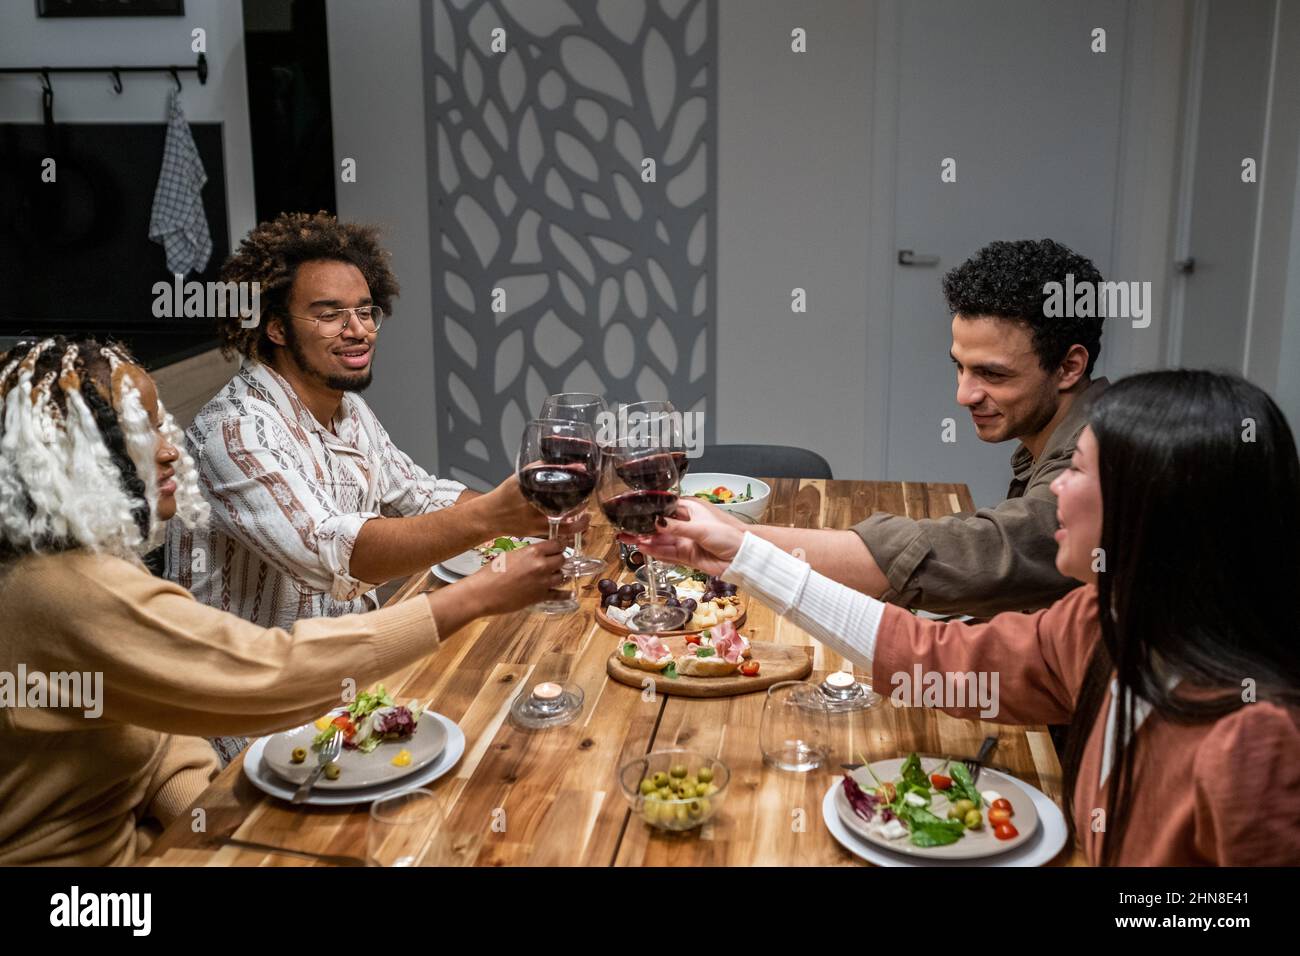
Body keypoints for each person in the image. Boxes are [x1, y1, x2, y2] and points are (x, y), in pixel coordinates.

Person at [631, 370, 1300, 865]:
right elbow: (934, 657)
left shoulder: (1256, 737)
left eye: (1080, 471)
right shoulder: (1102, 624)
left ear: (1157, 510)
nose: (1056, 487)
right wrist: (744, 553)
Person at [0, 337, 567, 866]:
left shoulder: (85, 561)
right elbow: (271, 672)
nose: (170, 451)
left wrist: (207, 826)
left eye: (160, 425)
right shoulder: (62, 590)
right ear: (66, 458)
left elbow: (156, 726)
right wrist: (471, 597)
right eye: (138, 431)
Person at [166, 212, 577, 633]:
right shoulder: (234, 431)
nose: (358, 330)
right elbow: (333, 556)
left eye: (365, 311)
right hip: (261, 690)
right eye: (331, 315)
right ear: (276, 328)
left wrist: (534, 514)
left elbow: (420, 496)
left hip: (347, 663)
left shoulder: (347, 409)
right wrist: (493, 515)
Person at [705, 238, 1108, 616]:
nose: (964, 395)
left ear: (1069, 367)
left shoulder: (1106, 456)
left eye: (992, 374)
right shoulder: (1068, 430)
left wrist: (742, 542)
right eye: (960, 367)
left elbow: (990, 552)